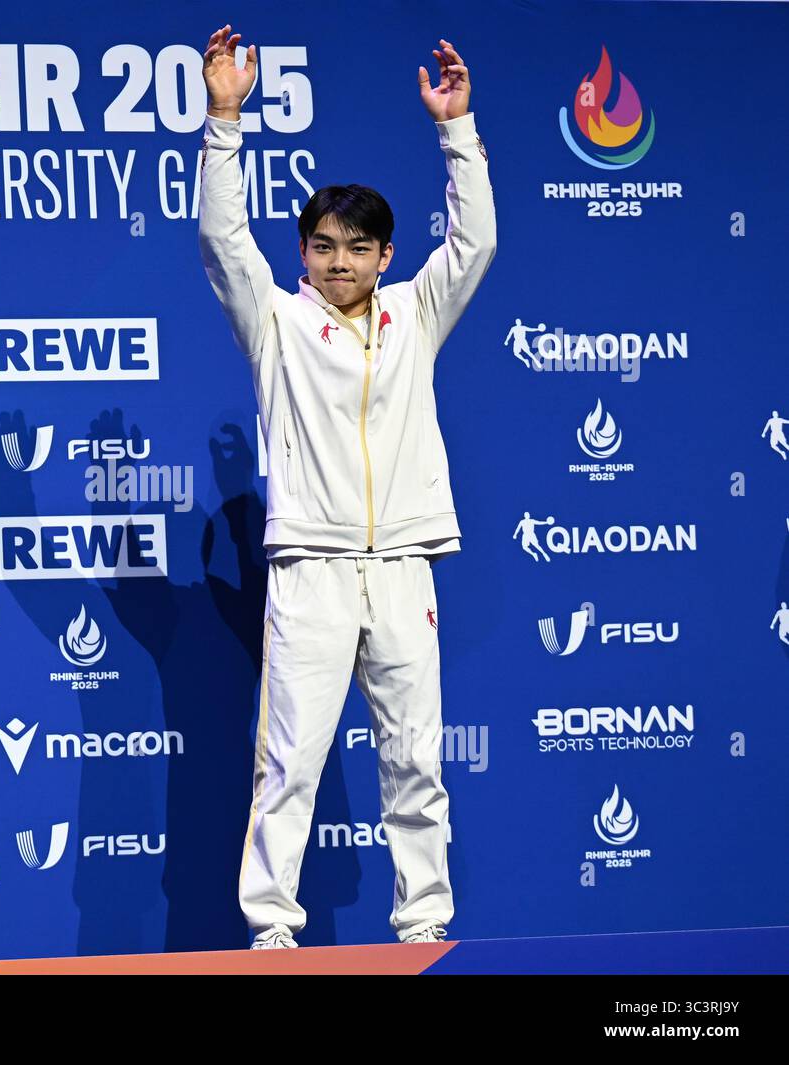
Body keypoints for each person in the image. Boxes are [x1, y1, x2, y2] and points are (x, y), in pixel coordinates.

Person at [198, 24, 497, 947]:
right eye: (324, 246)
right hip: (312, 570)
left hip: (403, 565)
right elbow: (221, 238)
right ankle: (272, 932)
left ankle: (426, 927)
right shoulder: (276, 324)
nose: (339, 262)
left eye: (358, 248)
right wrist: (223, 120)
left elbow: (476, 240)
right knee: (288, 762)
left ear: (385, 255)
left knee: (415, 762)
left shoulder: (417, 313)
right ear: (302, 253)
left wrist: (457, 130)